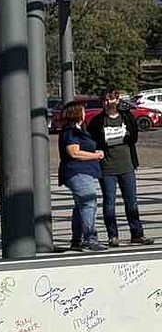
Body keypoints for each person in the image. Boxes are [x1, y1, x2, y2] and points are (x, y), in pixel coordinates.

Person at [87, 89, 154, 247]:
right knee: (109, 202)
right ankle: (113, 235)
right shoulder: (98, 121)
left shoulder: (126, 117)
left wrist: (128, 116)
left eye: (110, 99)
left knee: (131, 202)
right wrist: (97, 150)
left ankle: (137, 234)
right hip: (107, 168)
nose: (107, 103)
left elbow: (134, 136)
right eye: (104, 100)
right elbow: (91, 141)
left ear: (116, 100)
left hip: (127, 165)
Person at [57, 100, 108, 252]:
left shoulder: (80, 129)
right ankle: (90, 238)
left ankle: (77, 239)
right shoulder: (71, 131)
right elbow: (74, 152)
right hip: (77, 171)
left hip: (85, 171)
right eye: (83, 111)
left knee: (81, 205)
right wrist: (95, 155)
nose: (85, 113)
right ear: (77, 113)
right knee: (89, 203)